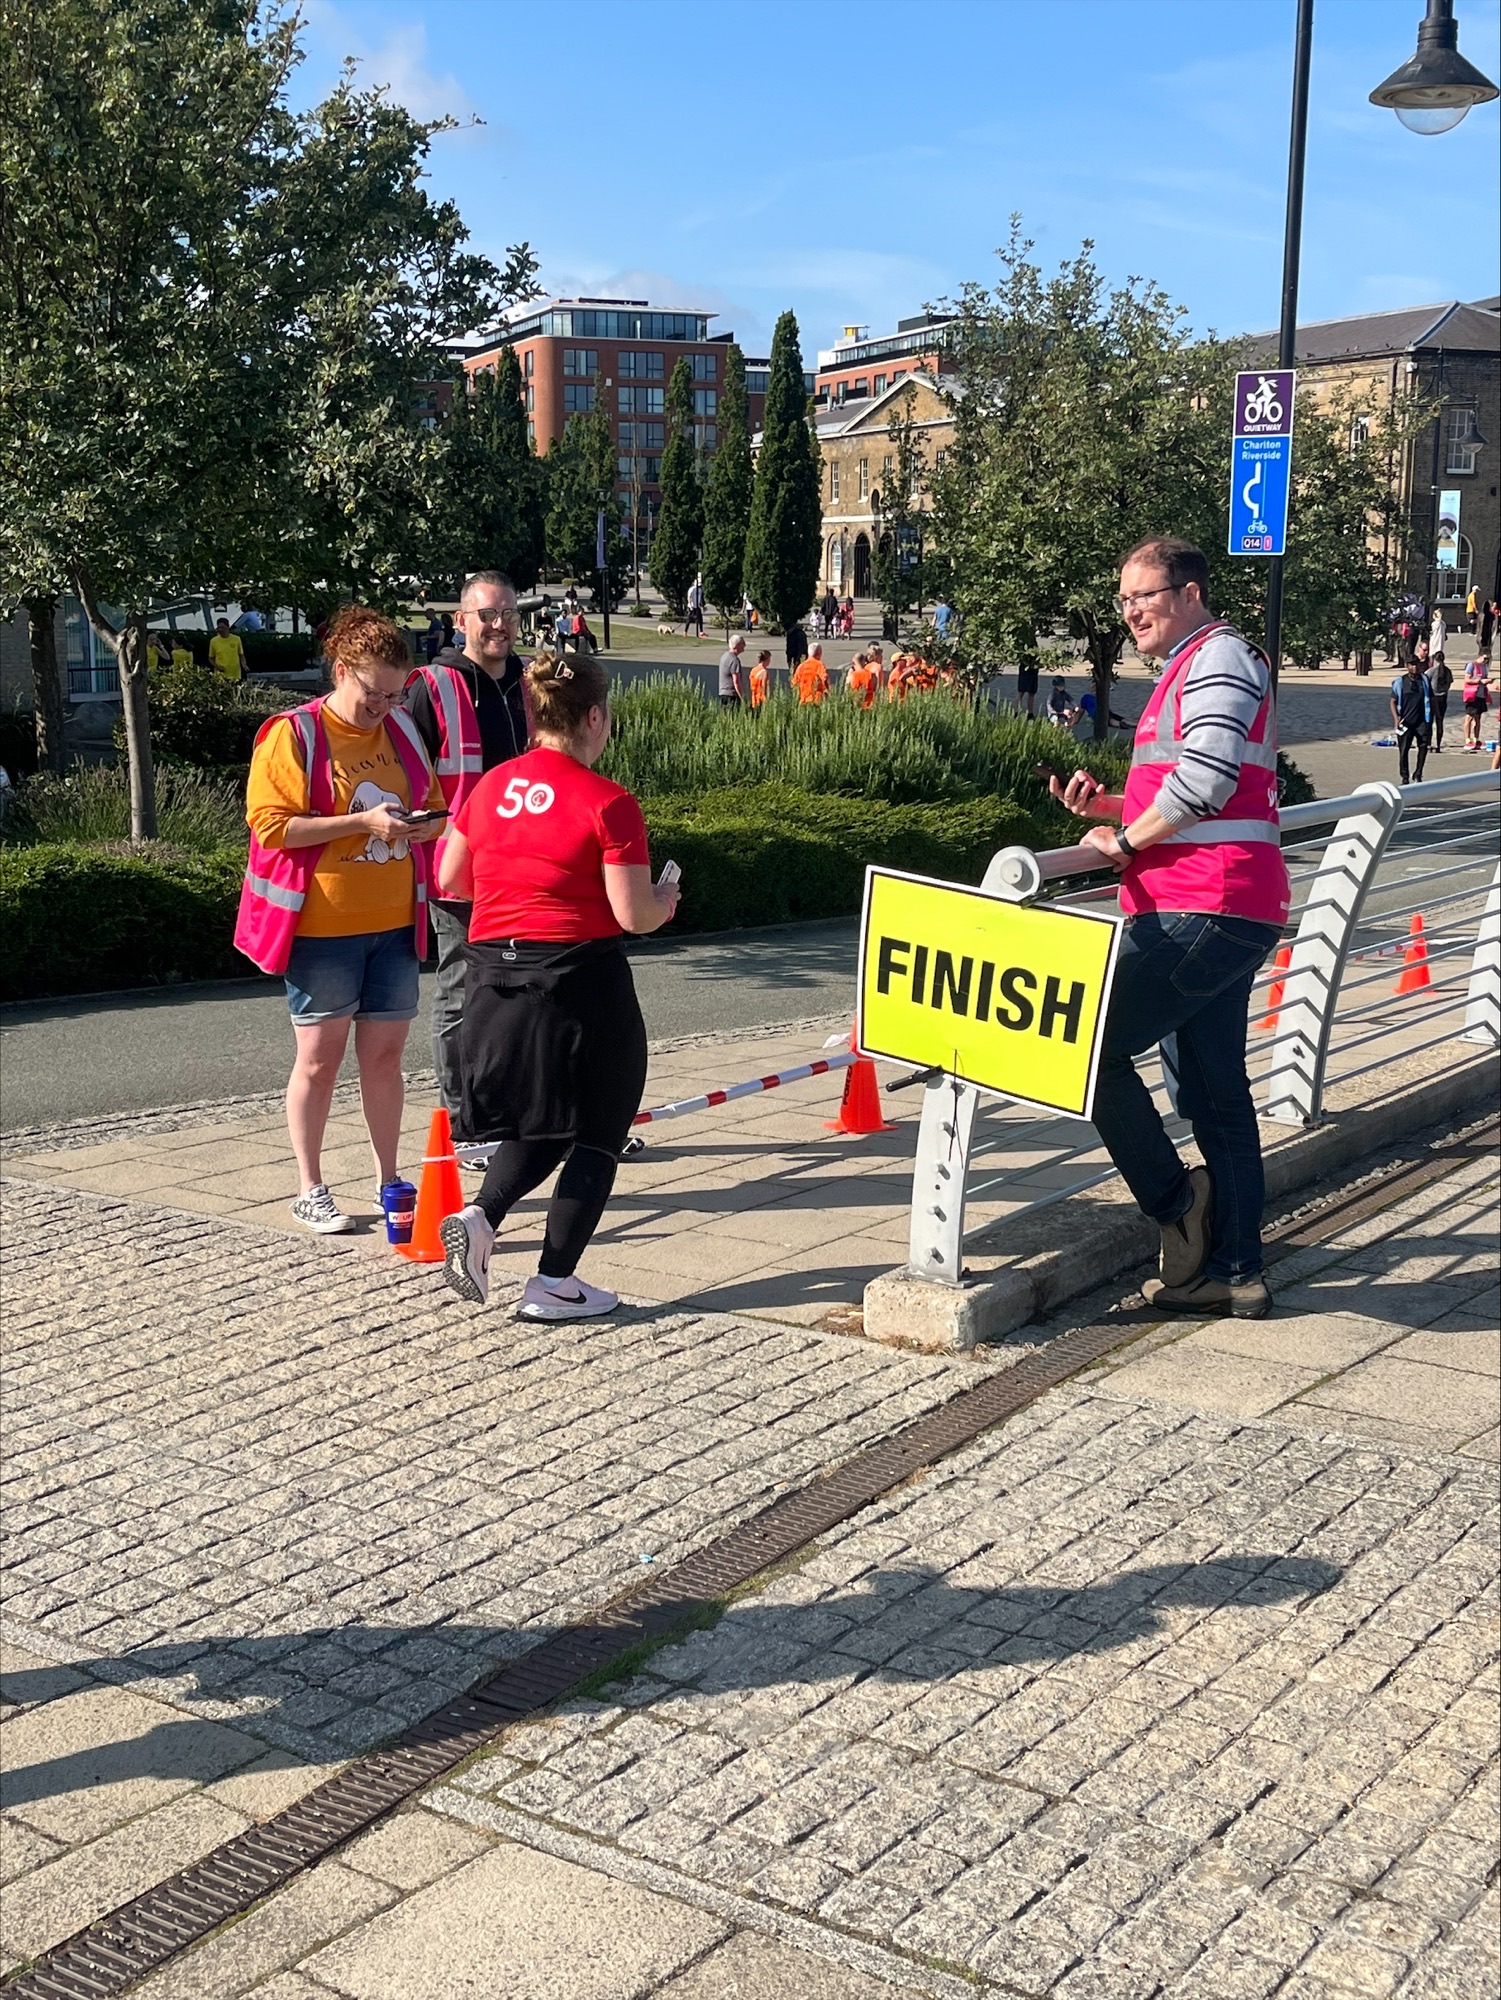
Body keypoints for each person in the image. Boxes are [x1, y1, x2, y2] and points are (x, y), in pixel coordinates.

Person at [1049, 536, 1289, 1319]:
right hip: (1226, 905)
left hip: (1201, 905)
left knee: (1083, 1046)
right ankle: (1233, 1273)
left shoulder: (1216, 658)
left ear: (1188, 593)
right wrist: (1106, 807)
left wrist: (1123, 841)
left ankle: (1176, 1204)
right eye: (1122, 600)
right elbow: (1199, 788)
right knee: (1217, 1097)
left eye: (1142, 596)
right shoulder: (1192, 666)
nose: (1129, 612)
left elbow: (1207, 781)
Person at [435, 654, 679, 1318]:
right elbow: (632, 915)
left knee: (542, 1119)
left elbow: (451, 878)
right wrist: (664, 901)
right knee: (600, 1129)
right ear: (594, 717)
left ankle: (481, 1218)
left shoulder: (490, 786)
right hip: (579, 979)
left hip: (493, 977)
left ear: (534, 714)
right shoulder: (609, 802)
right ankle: (552, 1282)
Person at [239, 606, 444, 1233]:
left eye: (394, 695)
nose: (383, 707)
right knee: (319, 1060)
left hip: (394, 924)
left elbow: (433, 803)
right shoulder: (294, 733)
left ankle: (389, 1178)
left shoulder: (402, 728)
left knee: (385, 1057)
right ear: (341, 672)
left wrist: (424, 826)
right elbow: (271, 826)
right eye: (373, 693)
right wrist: (362, 822)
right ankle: (311, 1186)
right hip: (322, 927)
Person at [404, 570, 531, 1143]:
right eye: (488, 614)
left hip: (524, 868)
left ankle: (523, 1112)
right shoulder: (432, 687)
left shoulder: (530, 685)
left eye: (508, 613)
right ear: (461, 621)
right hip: (458, 873)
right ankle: (466, 1125)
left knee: (522, 993)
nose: (500, 624)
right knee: (460, 994)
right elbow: (407, 776)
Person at [1390, 650, 1433, 783]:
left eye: (1417, 664)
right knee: (1404, 750)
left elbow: (1431, 699)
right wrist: (1396, 719)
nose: (1415, 667)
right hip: (1405, 721)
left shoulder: (1424, 680)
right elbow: (1393, 701)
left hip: (1421, 721)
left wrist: (1433, 717)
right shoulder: (1400, 682)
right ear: (1407, 666)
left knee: (1423, 747)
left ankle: (1418, 773)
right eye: (1412, 665)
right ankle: (1405, 776)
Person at [1425, 642, 1454, 753]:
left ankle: (1428, 744)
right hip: (1443, 698)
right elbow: (1449, 683)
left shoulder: (1431, 671)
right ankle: (1438, 744)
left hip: (1433, 698)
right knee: (1440, 722)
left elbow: (1425, 681)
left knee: (1429, 722)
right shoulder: (1448, 671)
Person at [1462, 652, 1491, 751]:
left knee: (1478, 718)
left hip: (1481, 695)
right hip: (1472, 695)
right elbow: (1467, 679)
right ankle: (1467, 740)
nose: (1486, 661)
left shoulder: (1484, 667)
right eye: (1485, 658)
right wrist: (1479, 681)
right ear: (1480, 656)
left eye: (1488, 659)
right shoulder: (1472, 665)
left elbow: (1484, 678)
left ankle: (1476, 739)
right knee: (1469, 717)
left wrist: (1488, 681)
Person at [209, 617, 246, 684]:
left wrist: (244, 665)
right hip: (220, 675)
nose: (220, 630)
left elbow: (241, 655)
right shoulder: (213, 641)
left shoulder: (237, 639)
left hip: (235, 674)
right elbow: (211, 658)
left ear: (228, 627)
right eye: (219, 628)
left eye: (222, 627)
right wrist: (217, 667)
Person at [719, 633, 746, 707]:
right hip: (732, 695)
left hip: (723, 693)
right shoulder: (734, 660)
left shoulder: (724, 656)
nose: (745, 645)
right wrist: (742, 697)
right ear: (737, 645)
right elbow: (736, 681)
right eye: (743, 643)